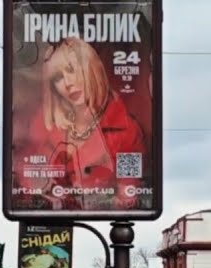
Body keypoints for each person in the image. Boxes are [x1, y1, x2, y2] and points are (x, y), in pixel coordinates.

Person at [13, 36, 147, 212]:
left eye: (72, 70)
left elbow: (129, 193)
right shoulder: (45, 129)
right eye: (58, 78)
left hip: (102, 221)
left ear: (90, 68)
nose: (68, 83)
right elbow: (28, 186)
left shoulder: (126, 130)